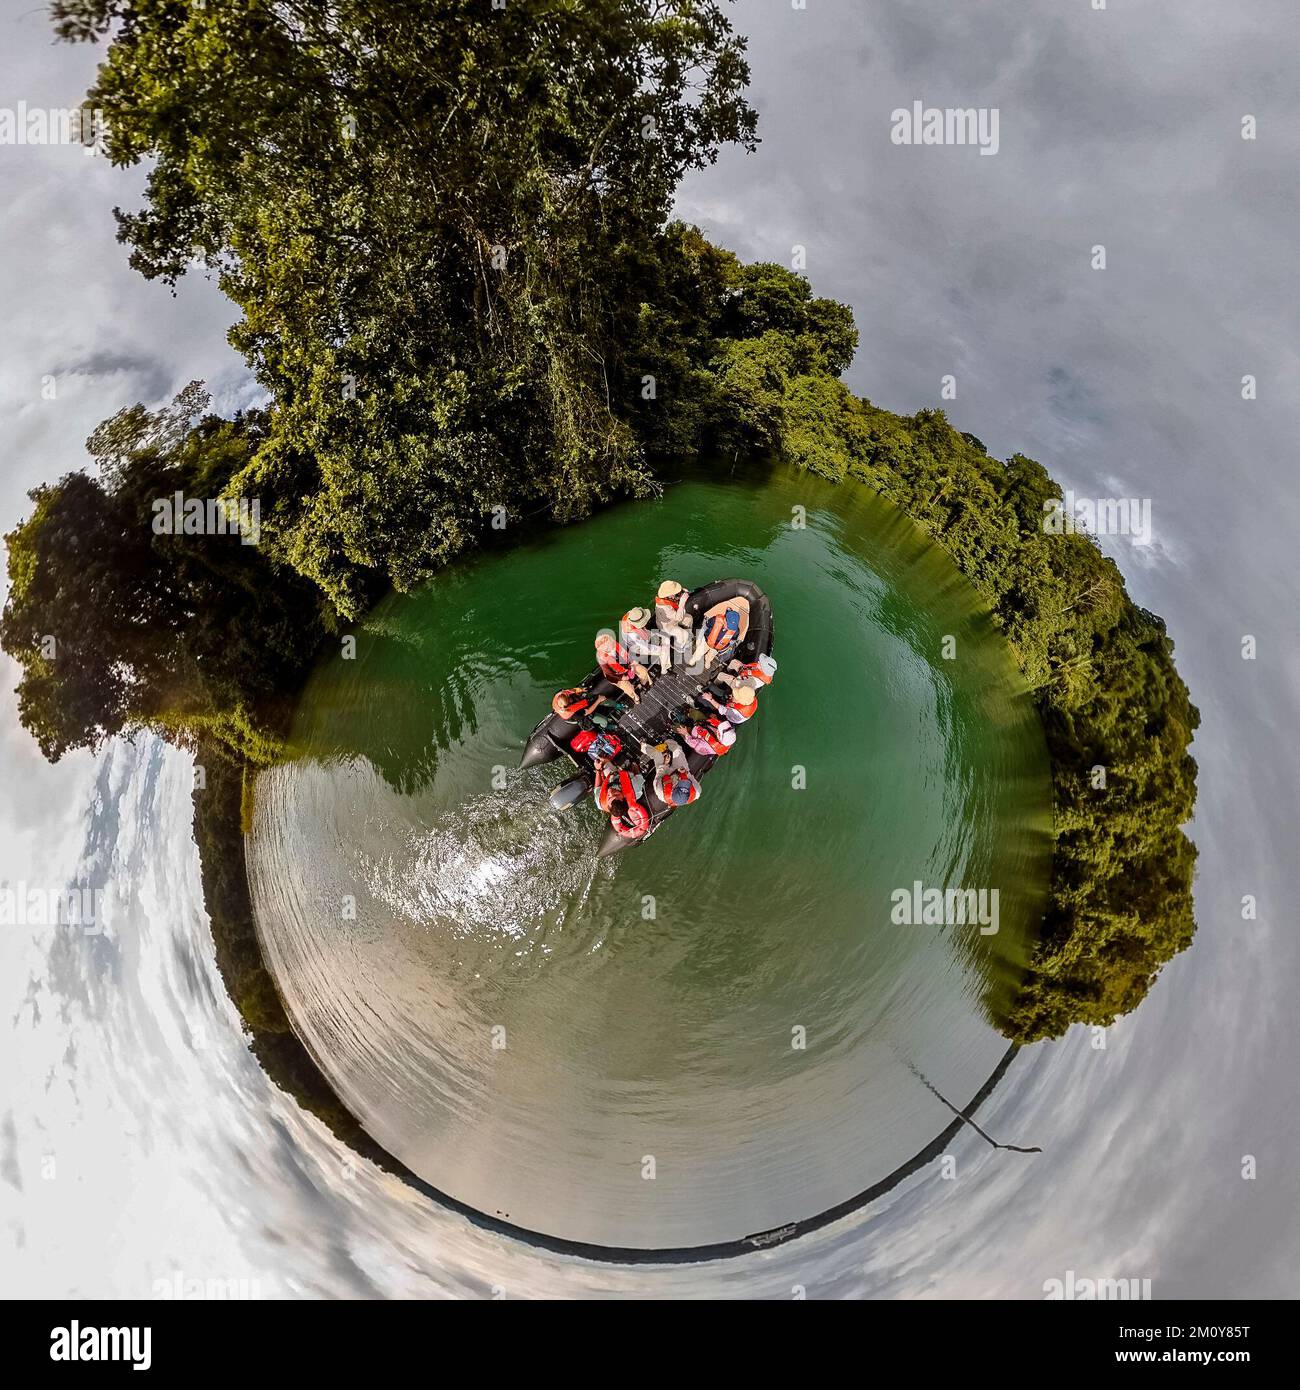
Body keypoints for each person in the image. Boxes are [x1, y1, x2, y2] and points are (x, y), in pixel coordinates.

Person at [641, 736, 702, 808]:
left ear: (674, 789)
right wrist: (683, 771)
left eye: (680, 784)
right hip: (681, 772)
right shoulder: (696, 791)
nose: (684, 783)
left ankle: (643, 746)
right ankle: (666, 741)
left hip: (664, 776)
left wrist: (665, 764)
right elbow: (688, 775)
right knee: (677, 749)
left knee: (657, 754)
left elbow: (658, 776)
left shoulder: (661, 792)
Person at [690, 597, 749, 668]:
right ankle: (694, 658)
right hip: (706, 640)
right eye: (729, 625)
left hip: (718, 647)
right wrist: (699, 638)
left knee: (711, 655)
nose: (729, 628)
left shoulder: (736, 631)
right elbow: (705, 626)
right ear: (725, 619)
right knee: (699, 651)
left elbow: (732, 641)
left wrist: (724, 649)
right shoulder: (715, 619)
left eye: (732, 627)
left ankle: (708, 659)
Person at [595, 632, 651, 704]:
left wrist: (632, 663)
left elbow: (626, 654)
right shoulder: (602, 659)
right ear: (603, 649)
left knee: (643, 671)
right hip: (616, 676)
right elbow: (609, 675)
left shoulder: (614, 644)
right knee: (628, 688)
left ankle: (644, 682)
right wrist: (622, 678)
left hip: (627, 666)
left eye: (609, 642)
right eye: (607, 645)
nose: (610, 644)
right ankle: (634, 696)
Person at [654, 580, 694, 662]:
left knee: (689, 618)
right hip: (667, 625)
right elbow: (678, 618)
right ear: (670, 594)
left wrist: (682, 592)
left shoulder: (668, 597)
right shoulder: (664, 607)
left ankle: (685, 636)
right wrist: (682, 602)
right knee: (683, 634)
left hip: (673, 619)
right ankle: (678, 646)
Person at [607, 768, 652, 840]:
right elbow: (639, 775)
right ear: (623, 797)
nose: (610, 792)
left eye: (609, 797)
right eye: (616, 795)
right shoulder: (635, 790)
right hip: (626, 772)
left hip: (613, 774)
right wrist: (634, 767)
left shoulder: (601, 801)